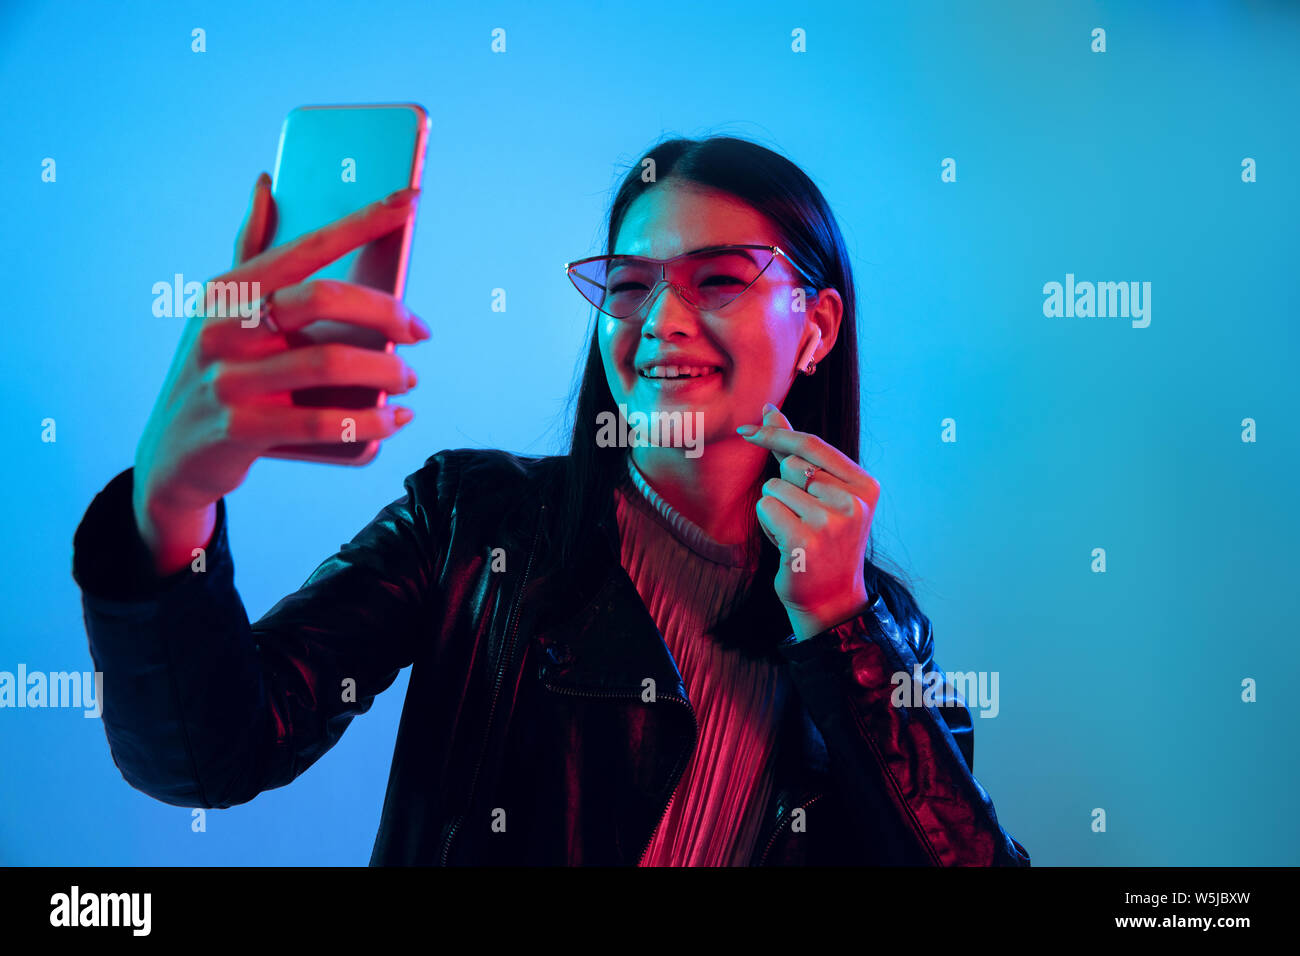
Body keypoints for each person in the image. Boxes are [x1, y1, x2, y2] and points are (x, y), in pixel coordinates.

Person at [71, 135, 1030, 866]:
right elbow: (212, 757)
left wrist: (837, 626)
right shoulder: (475, 522)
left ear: (817, 327)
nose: (662, 321)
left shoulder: (876, 625)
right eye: (631, 283)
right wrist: (172, 505)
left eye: (721, 280)